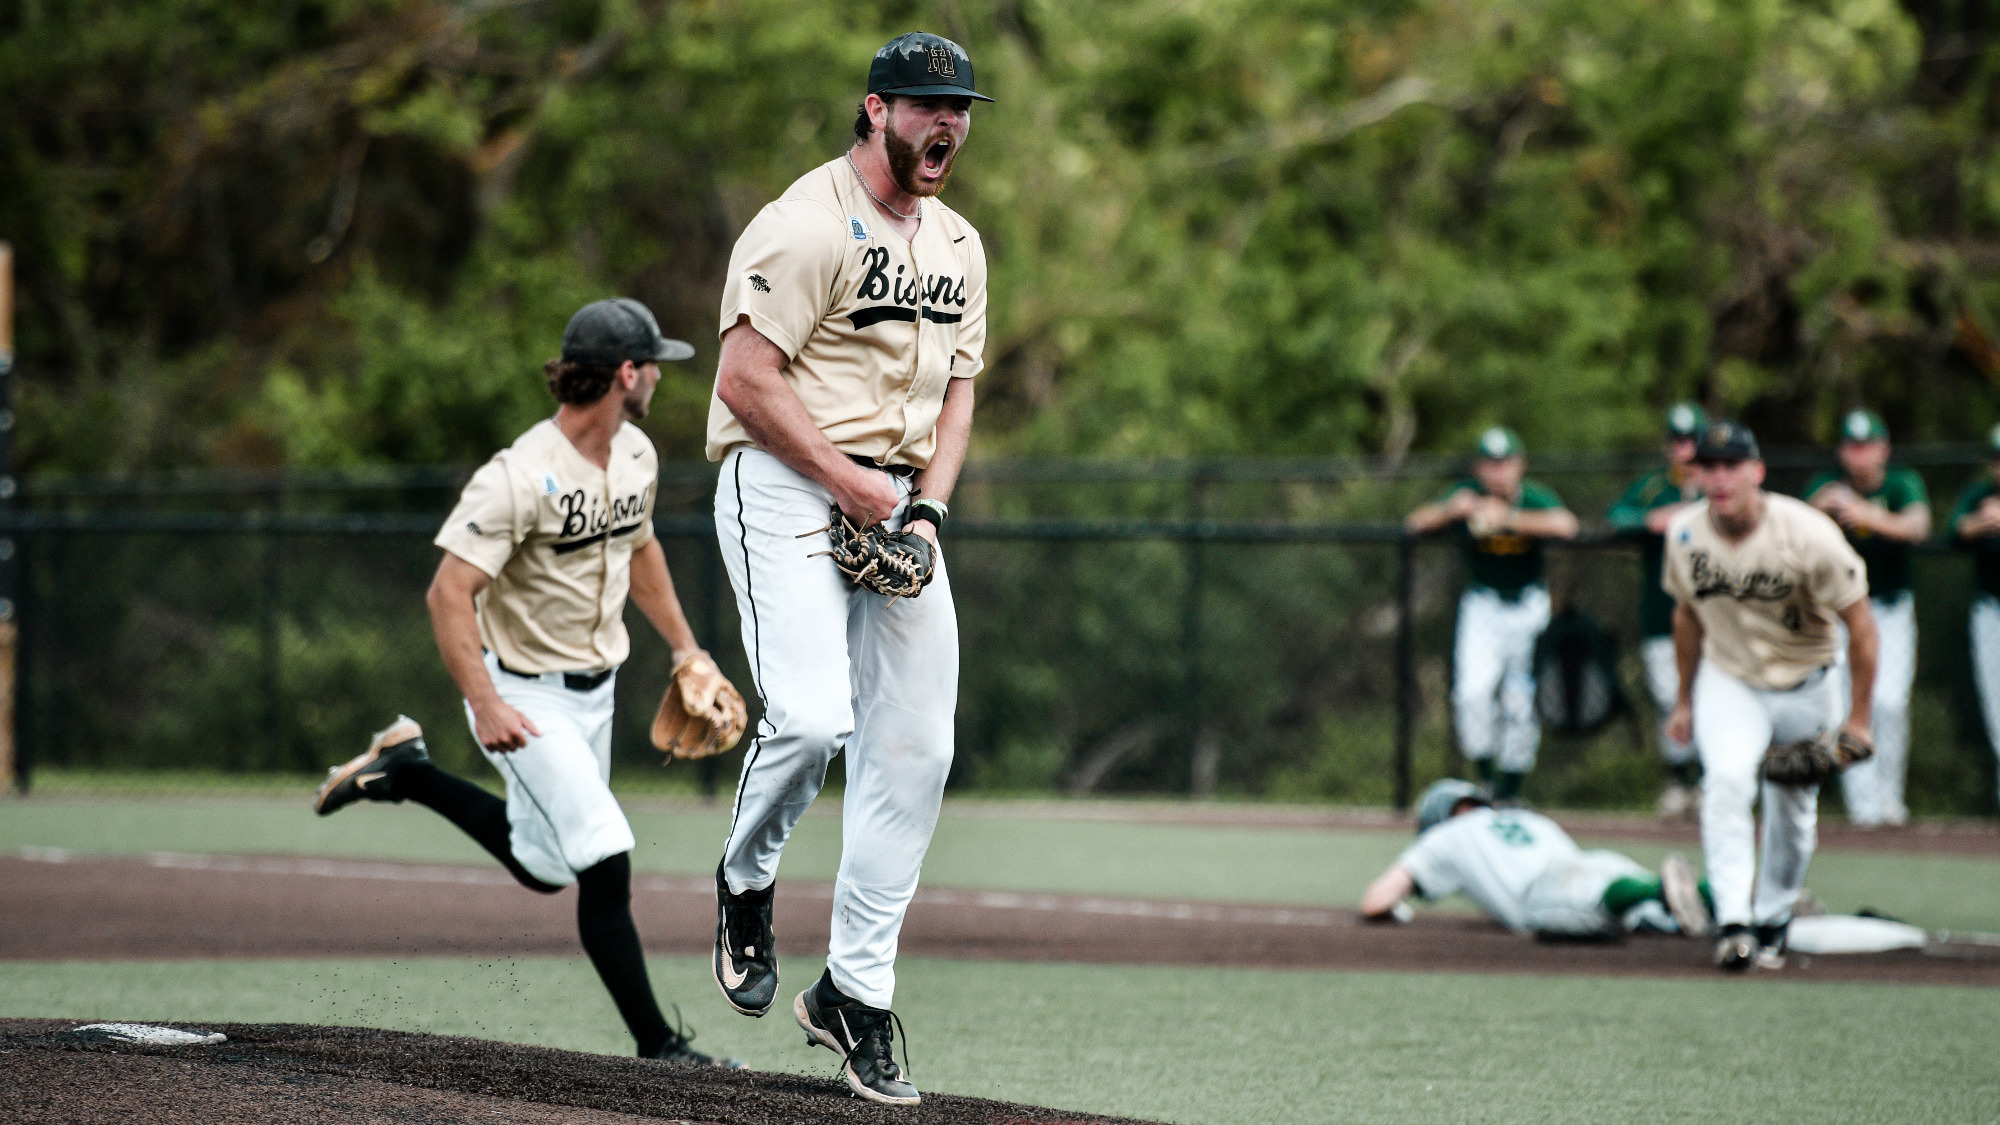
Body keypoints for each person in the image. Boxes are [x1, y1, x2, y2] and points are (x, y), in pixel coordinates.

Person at [311, 298, 741, 1068]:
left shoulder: (636, 456)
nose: (659, 380)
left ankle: (406, 771)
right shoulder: (518, 475)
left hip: (596, 693)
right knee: (605, 852)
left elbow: (639, 549)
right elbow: (448, 592)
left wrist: (685, 648)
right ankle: (660, 1044)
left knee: (547, 865)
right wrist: (486, 703)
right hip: (524, 694)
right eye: (654, 366)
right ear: (626, 373)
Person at [700, 31, 991, 1107]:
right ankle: (744, 877)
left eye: (959, 106)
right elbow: (741, 377)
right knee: (815, 717)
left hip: (896, 503)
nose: (946, 123)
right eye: (926, 105)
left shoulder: (958, 242)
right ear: (875, 110)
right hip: (780, 480)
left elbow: (957, 387)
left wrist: (927, 511)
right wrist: (847, 483)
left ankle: (853, 996)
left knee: (915, 747)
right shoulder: (803, 224)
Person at [1663, 421, 1876, 971]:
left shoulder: (1807, 534)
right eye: (1708, 467)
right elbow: (1686, 617)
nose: (1719, 477)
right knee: (1728, 780)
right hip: (1731, 679)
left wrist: (1859, 717)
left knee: (1793, 805)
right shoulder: (1685, 535)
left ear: (1757, 471)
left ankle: (1774, 916)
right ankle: (1734, 921)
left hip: (1808, 683)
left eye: (1731, 465)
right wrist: (1684, 699)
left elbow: (1861, 622)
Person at [1405, 427, 1580, 802]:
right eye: (1490, 464)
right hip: (1483, 607)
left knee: (1521, 702)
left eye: (1505, 463)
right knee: (1471, 694)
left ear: (1519, 466)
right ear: (1478, 468)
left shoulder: (1531, 497)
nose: (1497, 472)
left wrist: (1509, 518)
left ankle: (1510, 790)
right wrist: (1450, 511)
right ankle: (1485, 779)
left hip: (1529, 608)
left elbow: (1567, 524)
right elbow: (1415, 522)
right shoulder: (1467, 493)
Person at [1360, 779, 1713, 939]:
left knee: (1604, 903)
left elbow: (1376, 900)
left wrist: (1396, 906)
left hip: (1547, 889)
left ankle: (1660, 891)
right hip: (1599, 863)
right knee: (1663, 915)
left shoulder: (1442, 837)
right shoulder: (1525, 817)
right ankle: (1723, 899)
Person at [1803, 409, 1929, 827]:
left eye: (1868, 446)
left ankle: (1890, 802)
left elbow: (1919, 526)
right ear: (1842, 451)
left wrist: (1866, 515)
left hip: (1888, 610)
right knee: (1844, 705)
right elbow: (1792, 531)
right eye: (1852, 447)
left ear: (1883, 449)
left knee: (1889, 704)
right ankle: (1863, 809)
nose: (1860, 456)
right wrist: (1822, 508)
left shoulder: (1901, 483)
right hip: (1838, 613)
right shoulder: (1826, 487)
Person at [1607, 402, 1708, 819]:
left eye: (1691, 440)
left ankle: (1709, 781)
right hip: (1661, 613)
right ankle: (1678, 780)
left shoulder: (1716, 485)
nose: (1684, 449)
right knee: (1671, 697)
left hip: (1714, 617)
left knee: (1711, 697)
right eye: (1677, 441)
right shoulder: (1653, 488)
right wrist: (1653, 519)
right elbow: (1617, 517)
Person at [1949, 423, 2000, 810]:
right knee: (1997, 708)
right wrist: (1979, 523)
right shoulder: (1981, 495)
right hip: (1990, 609)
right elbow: (1952, 531)